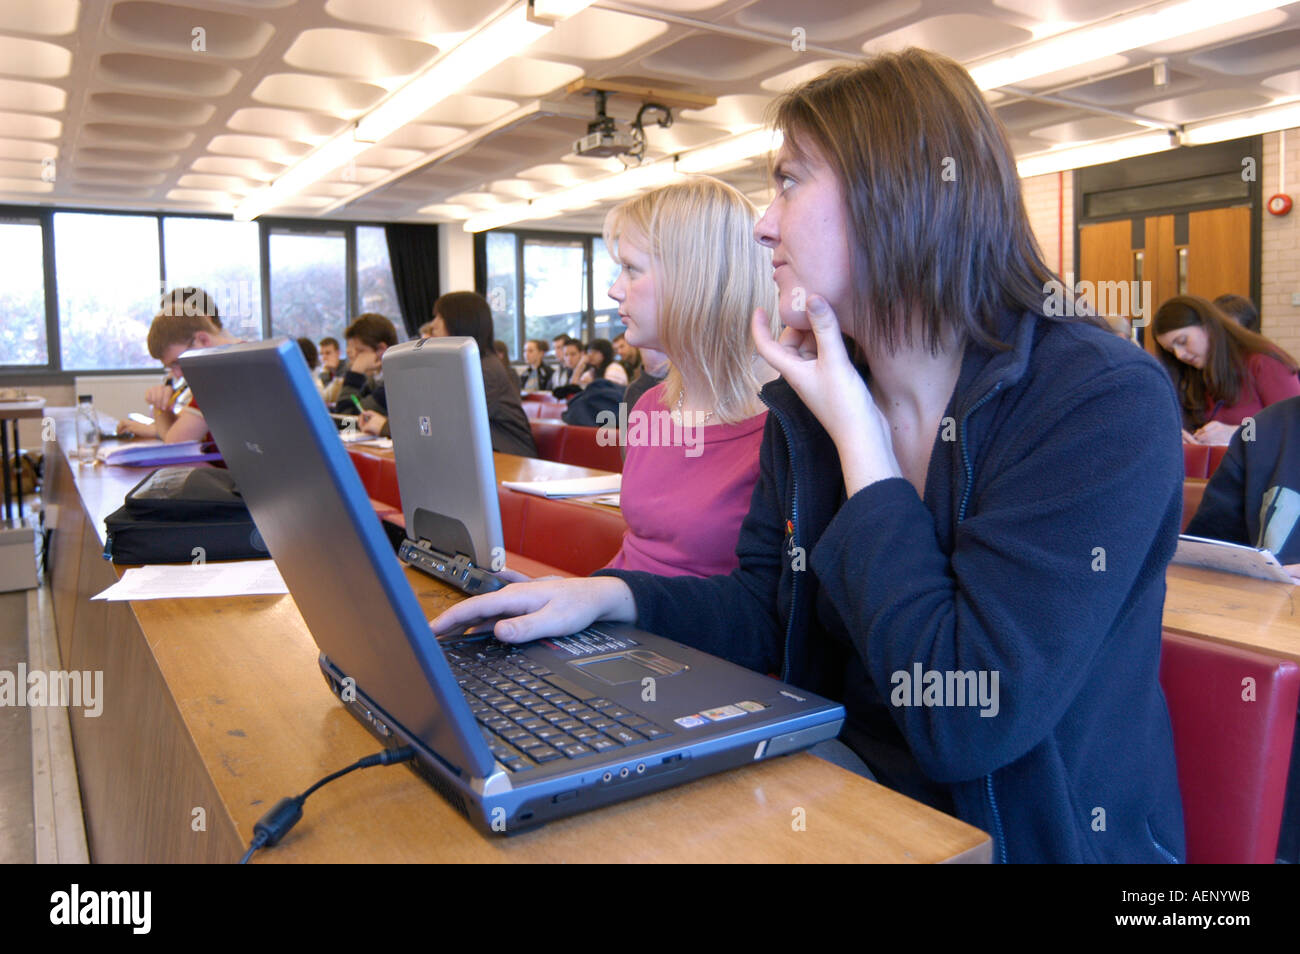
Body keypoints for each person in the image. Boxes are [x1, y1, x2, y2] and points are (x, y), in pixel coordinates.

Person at [433, 49, 1187, 864]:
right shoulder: (812, 401)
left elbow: (965, 719)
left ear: (894, 192)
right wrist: (612, 598)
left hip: (1014, 838)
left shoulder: (1098, 400)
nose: (763, 223)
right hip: (833, 789)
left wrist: (862, 447)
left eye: (788, 181)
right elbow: (769, 616)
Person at [594, 176, 776, 577]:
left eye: (631, 270)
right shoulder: (649, 404)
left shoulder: (781, 429)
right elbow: (637, 555)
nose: (613, 290)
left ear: (694, 278)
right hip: (631, 627)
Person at [361, 293, 537, 458]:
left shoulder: (484, 371)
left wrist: (385, 426)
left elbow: (443, 425)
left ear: (461, 322)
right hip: (481, 457)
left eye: (440, 317)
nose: (434, 324)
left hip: (510, 460)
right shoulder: (461, 367)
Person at [1153, 295, 1300, 445]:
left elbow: (1293, 429)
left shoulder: (1263, 361)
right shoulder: (1194, 373)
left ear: (1209, 326)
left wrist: (1238, 434)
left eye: (1183, 341)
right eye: (1171, 351)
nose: (1180, 355)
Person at [118, 296, 239, 442]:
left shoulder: (222, 371)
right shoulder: (227, 360)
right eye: (171, 367)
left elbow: (175, 442)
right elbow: (176, 428)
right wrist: (161, 404)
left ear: (203, 339)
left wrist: (160, 409)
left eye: (178, 363)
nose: (178, 374)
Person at [332, 313, 397, 417]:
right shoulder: (373, 381)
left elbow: (348, 424)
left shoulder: (391, 387)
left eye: (360, 351)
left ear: (381, 349)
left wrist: (355, 373)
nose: (353, 355)